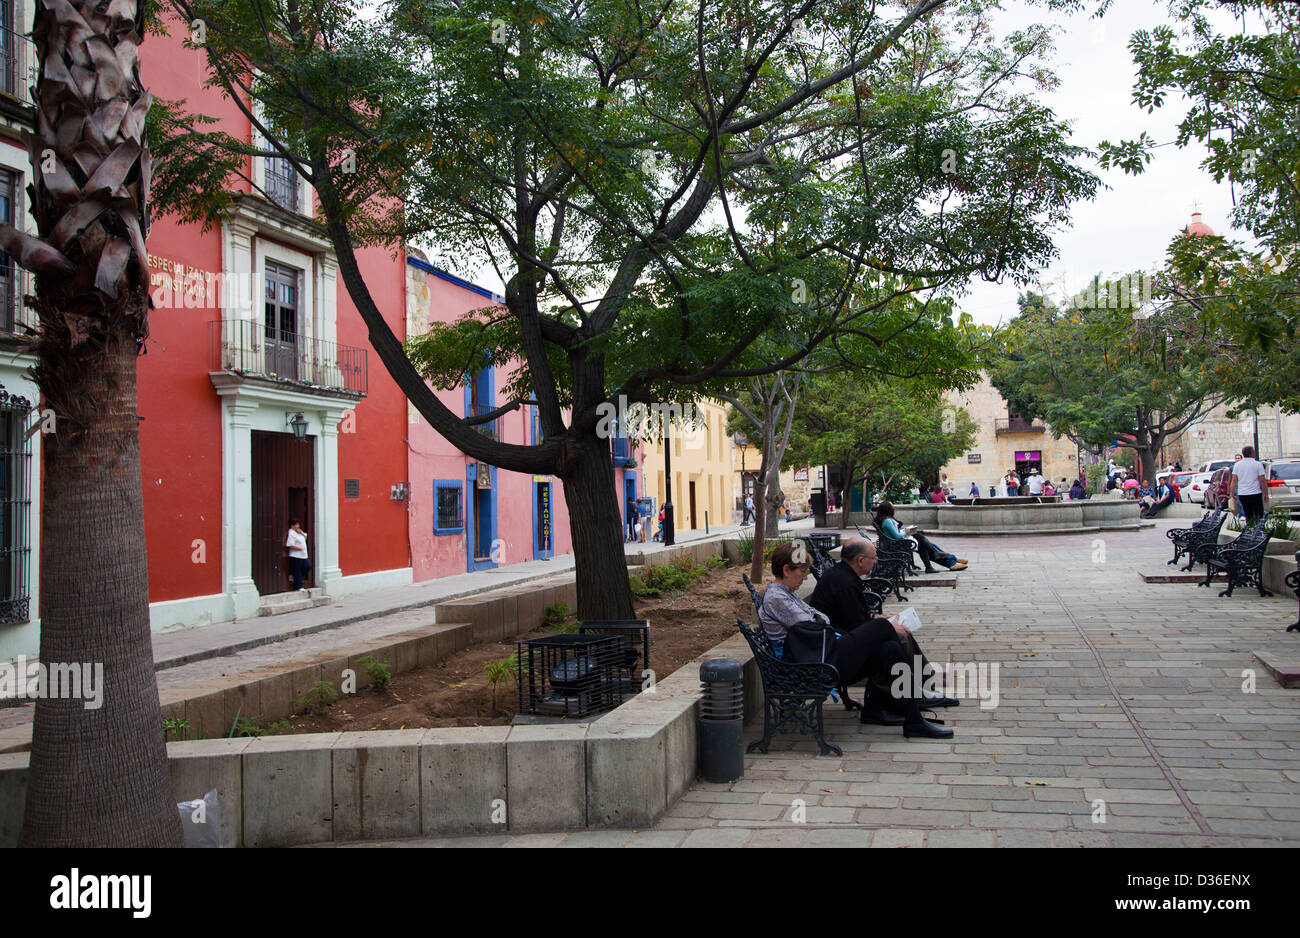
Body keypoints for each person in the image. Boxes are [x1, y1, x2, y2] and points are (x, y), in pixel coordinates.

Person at [759, 541, 952, 739]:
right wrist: (822, 620)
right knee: (883, 627)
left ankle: (913, 720)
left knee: (889, 648)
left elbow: (819, 618)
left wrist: (821, 619)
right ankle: (915, 691)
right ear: (786, 570)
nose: (805, 576)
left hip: (821, 652)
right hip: (813, 663)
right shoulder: (777, 598)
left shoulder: (787, 594)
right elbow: (815, 623)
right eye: (801, 571)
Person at [810, 538, 959, 716]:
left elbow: (853, 618)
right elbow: (856, 626)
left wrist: (878, 618)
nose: (876, 561)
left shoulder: (843, 575)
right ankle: (918, 691)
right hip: (837, 649)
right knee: (896, 639)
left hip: (841, 639)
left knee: (900, 633)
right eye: (873, 558)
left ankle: (921, 688)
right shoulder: (845, 583)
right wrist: (884, 626)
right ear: (860, 560)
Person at [875, 501, 967, 572]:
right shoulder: (887, 521)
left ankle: (942, 561)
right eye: (892, 506)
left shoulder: (886, 520)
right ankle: (950, 560)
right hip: (897, 544)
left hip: (896, 543)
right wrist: (906, 531)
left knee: (923, 542)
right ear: (888, 509)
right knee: (921, 540)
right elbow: (897, 536)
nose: (894, 508)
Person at [1230, 444, 1269, 523]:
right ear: (1252, 453)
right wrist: (1266, 494)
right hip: (1255, 493)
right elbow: (1262, 480)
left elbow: (1234, 480)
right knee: (1258, 513)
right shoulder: (1258, 464)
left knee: (1248, 513)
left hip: (1242, 494)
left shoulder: (1237, 465)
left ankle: (1249, 528)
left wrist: (1232, 492)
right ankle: (1258, 530)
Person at [285, 519, 312, 591]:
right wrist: (299, 549)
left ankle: (294, 578)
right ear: (292, 526)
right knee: (297, 571)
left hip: (303, 555)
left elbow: (305, 538)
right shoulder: (291, 533)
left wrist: (301, 533)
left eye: (298, 524)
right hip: (296, 555)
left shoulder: (299, 532)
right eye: (296, 525)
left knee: (308, 566)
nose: (298, 526)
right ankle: (299, 586)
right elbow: (289, 544)